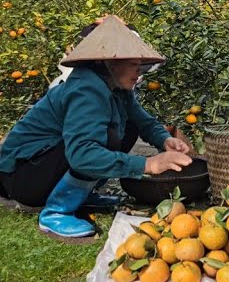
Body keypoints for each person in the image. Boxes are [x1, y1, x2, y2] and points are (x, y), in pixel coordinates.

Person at [0, 16, 192, 240]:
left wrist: (164, 140)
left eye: (141, 66)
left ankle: (82, 195)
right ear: (108, 62)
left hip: (38, 168)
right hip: (22, 177)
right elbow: (82, 155)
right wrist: (148, 163)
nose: (139, 72)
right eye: (133, 64)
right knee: (103, 139)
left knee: (126, 126)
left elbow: (143, 121)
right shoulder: (86, 89)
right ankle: (55, 211)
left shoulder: (117, 88)